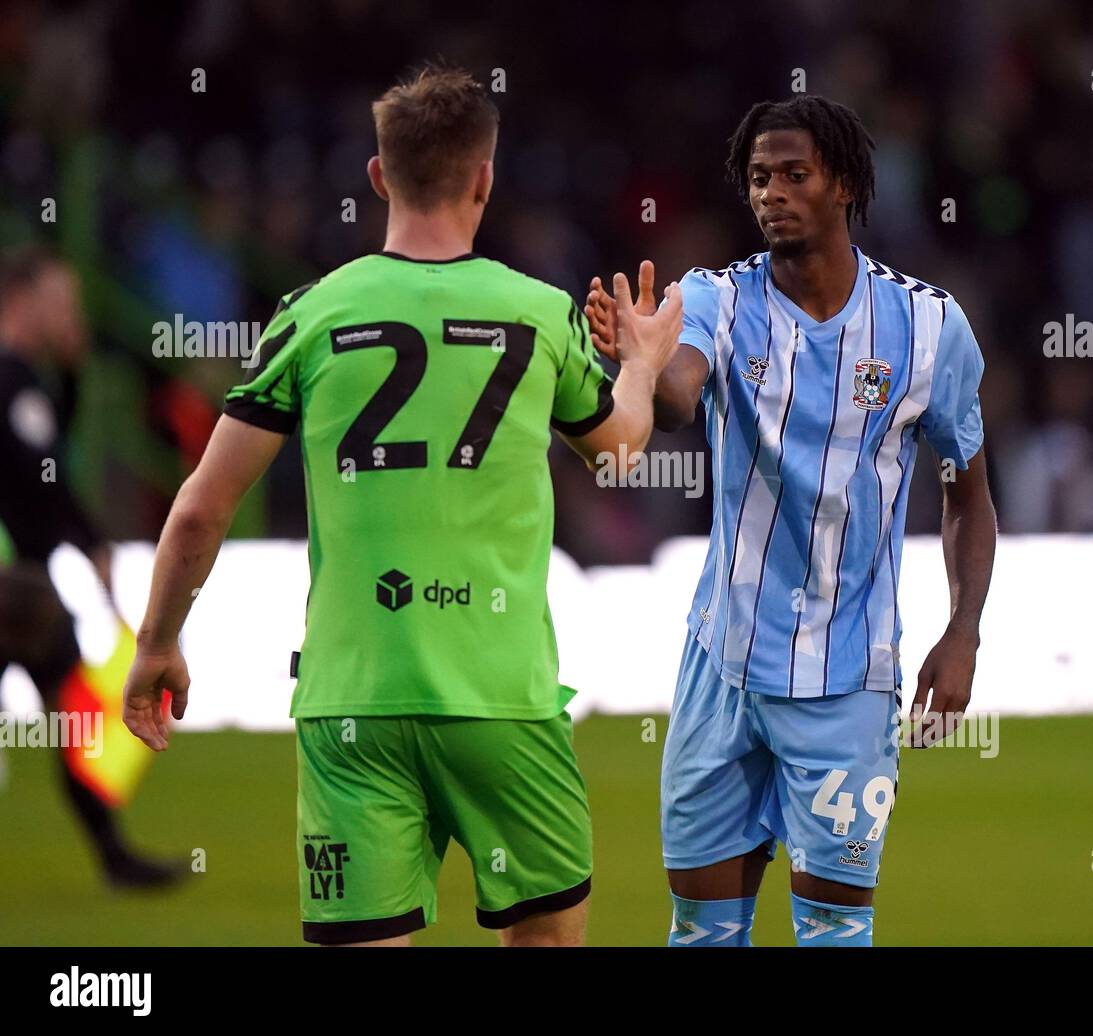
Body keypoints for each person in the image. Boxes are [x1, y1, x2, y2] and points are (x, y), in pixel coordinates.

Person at [122, 63, 682, 947]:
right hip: (503, 703)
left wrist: (157, 641)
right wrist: (643, 362)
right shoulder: (536, 312)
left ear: (379, 177)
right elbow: (619, 451)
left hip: (355, 705)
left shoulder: (310, 314)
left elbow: (200, 509)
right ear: (485, 180)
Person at [586, 96, 998, 946]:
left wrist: (964, 630)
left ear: (843, 183)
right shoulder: (718, 300)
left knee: (834, 936)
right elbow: (676, 400)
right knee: (702, 934)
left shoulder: (927, 328)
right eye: (759, 178)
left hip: (847, 682)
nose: (771, 193)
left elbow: (968, 490)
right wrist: (644, 359)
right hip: (723, 672)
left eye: (793, 175)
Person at [0, 244, 185, 888]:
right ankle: (113, 857)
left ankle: (113, 856)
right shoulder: (9, 378)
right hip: (12, 588)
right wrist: (92, 541)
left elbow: (44, 460)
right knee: (75, 712)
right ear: (25, 302)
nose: (73, 315)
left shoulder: (25, 382)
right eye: (62, 303)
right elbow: (38, 477)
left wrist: (75, 376)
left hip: (21, 584)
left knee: (74, 710)